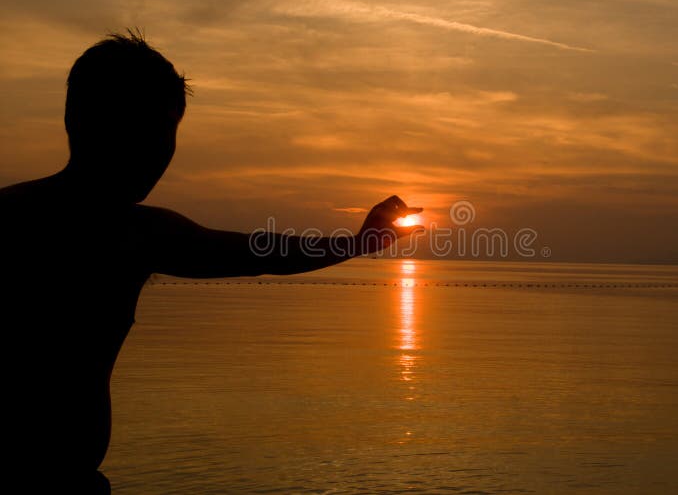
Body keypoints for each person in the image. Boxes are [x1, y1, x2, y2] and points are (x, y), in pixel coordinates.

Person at [0, 30, 422, 493]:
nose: (159, 152)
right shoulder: (129, 233)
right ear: (84, 121)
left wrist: (358, 244)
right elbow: (258, 254)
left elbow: (256, 252)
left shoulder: (128, 230)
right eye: (148, 129)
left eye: (167, 133)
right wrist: (358, 244)